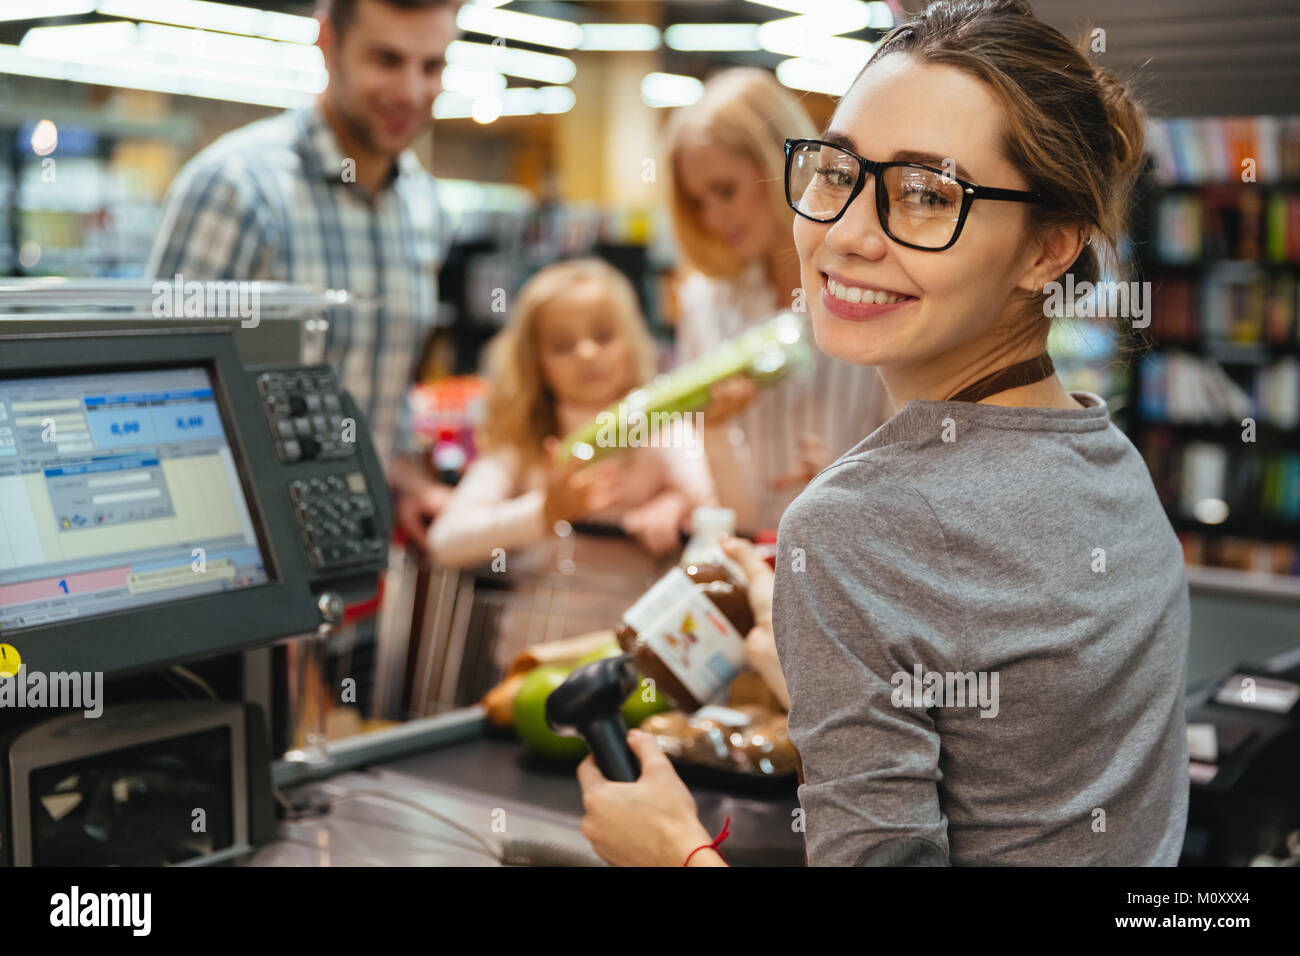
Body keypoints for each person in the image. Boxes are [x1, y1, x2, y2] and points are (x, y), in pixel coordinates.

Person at [577, 0, 1189, 867]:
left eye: (928, 194)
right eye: (837, 172)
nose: (847, 234)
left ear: (1048, 249)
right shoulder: (1108, 458)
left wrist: (672, 851)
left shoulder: (849, 526)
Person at [147, 0, 460, 546]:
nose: (411, 92)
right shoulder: (237, 190)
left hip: (361, 559)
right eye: (387, 60)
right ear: (327, 43)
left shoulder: (424, 206)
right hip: (242, 571)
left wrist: (408, 481)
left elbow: (384, 388)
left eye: (432, 67)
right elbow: (155, 393)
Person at [666, 68, 893, 532]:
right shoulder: (704, 303)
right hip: (748, 552)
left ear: (778, 164)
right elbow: (701, 464)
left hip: (852, 551)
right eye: (697, 201)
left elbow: (910, 458)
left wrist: (849, 488)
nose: (713, 217)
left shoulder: (871, 288)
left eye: (725, 191)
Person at [429, 258, 716, 568]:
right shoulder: (523, 437)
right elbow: (444, 542)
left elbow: (716, 510)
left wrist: (677, 504)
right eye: (562, 345)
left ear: (631, 340)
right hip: (537, 612)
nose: (586, 354)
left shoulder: (663, 428)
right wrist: (546, 512)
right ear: (535, 362)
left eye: (604, 335)